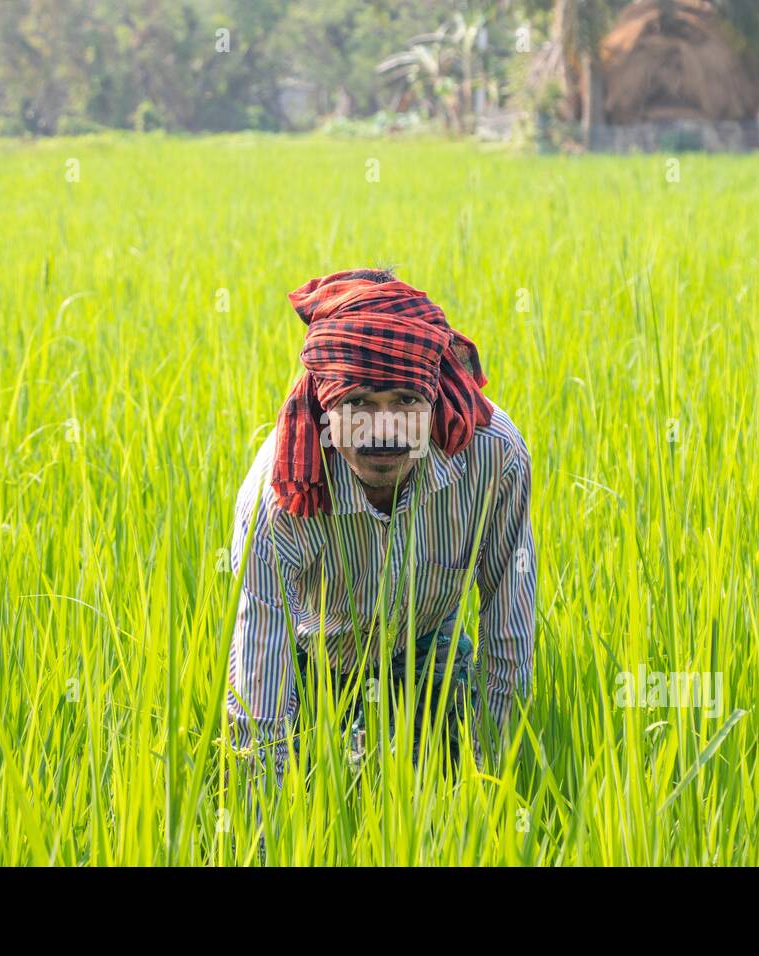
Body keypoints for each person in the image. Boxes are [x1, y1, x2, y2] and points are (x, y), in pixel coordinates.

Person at [225, 267, 536, 790]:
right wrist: (269, 827)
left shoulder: (493, 459)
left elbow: (509, 634)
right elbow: (259, 678)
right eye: (359, 403)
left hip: (426, 648)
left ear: (434, 399)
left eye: (406, 403)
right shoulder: (278, 495)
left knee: (443, 786)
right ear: (326, 405)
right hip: (315, 662)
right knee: (307, 791)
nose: (383, 430)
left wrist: (488, 788)